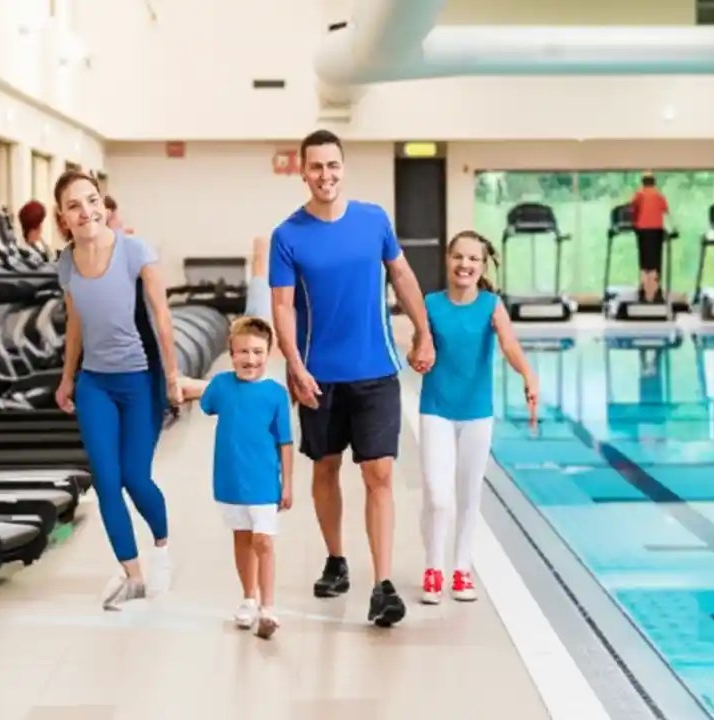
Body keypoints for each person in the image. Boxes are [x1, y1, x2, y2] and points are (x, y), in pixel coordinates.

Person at [269, 128, 434, 628]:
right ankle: (336, 558)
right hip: (319, 374)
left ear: (344, 167)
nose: (326, 175)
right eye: (316, 167)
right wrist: (295, 365)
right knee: (325, 468)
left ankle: (382, 585)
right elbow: (282, 306)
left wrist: (424, 333)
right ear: (303, 172)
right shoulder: (287, 235)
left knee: (379, 472)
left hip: (376, 369)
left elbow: (402, 276)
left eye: (333, 166)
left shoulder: (373, 219)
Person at [52, 169, 182, 610]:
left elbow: (162, 318)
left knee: (134, 476)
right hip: (95, 384)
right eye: (74, 205)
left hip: (141, 380)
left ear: (103, 204)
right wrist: (68, 377)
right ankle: (133, 575)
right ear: (63, 217)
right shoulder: (66, 262)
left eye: (92, 200)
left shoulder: (134, 252)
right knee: (106, 483)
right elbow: (75, 325)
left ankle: (162, 545)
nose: (86, 211)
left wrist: (171, 377)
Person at [418, 231, 538, 605]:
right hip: (436, 409)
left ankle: (461, 568)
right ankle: (433, 568)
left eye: (473, 259)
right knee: (439, 497)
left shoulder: (491, 304)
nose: (465, 265)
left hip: (477, 413)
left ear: (482, 266)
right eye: (459, 257)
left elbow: (509, 344)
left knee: (469, 495)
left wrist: (528, 376)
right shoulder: (430, 304)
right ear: (448, 260)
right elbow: (417, 349)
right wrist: (417, 356)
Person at [180, 317, 292, 639]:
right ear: (231, 354)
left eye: (257, 352)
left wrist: (287, 483)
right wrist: (179, 384)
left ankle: (268, 607)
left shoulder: (275, 394)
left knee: (264, 540)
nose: (250, 359)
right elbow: (204, 401)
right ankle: (248, 598)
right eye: (243, 351)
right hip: (231, 480)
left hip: (264, 484)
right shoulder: (221, 385)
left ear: (269, 354)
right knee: (242, 539)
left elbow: (285, 442)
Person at [629, 174, 671, 303]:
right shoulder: (659, 195)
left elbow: (632, 209)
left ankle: (643, 291)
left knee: (644, 262)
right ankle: (656, 293)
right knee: (655, 262)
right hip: (656, 230)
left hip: (642, 229)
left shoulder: (639, 194)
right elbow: (665, 210)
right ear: (654, 183)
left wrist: (633, 224)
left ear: (643, 182)